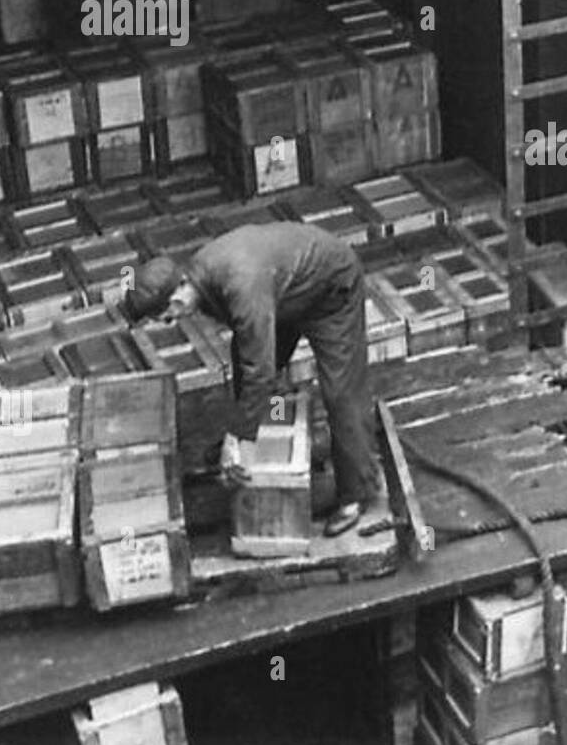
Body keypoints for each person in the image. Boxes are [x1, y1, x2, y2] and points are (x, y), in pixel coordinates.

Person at [124, 222, 381, 540]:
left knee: (341, 393)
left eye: (169, 313)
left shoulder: (240, 283)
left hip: (330, 291)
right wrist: (241, 428)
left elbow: (260, 370)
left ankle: (357, 494)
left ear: (180, 286)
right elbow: (250, 355)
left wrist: (236, 436)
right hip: (284, 293)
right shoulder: (203, 277)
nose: (171, 319)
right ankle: (252, 433)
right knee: (247, 365)